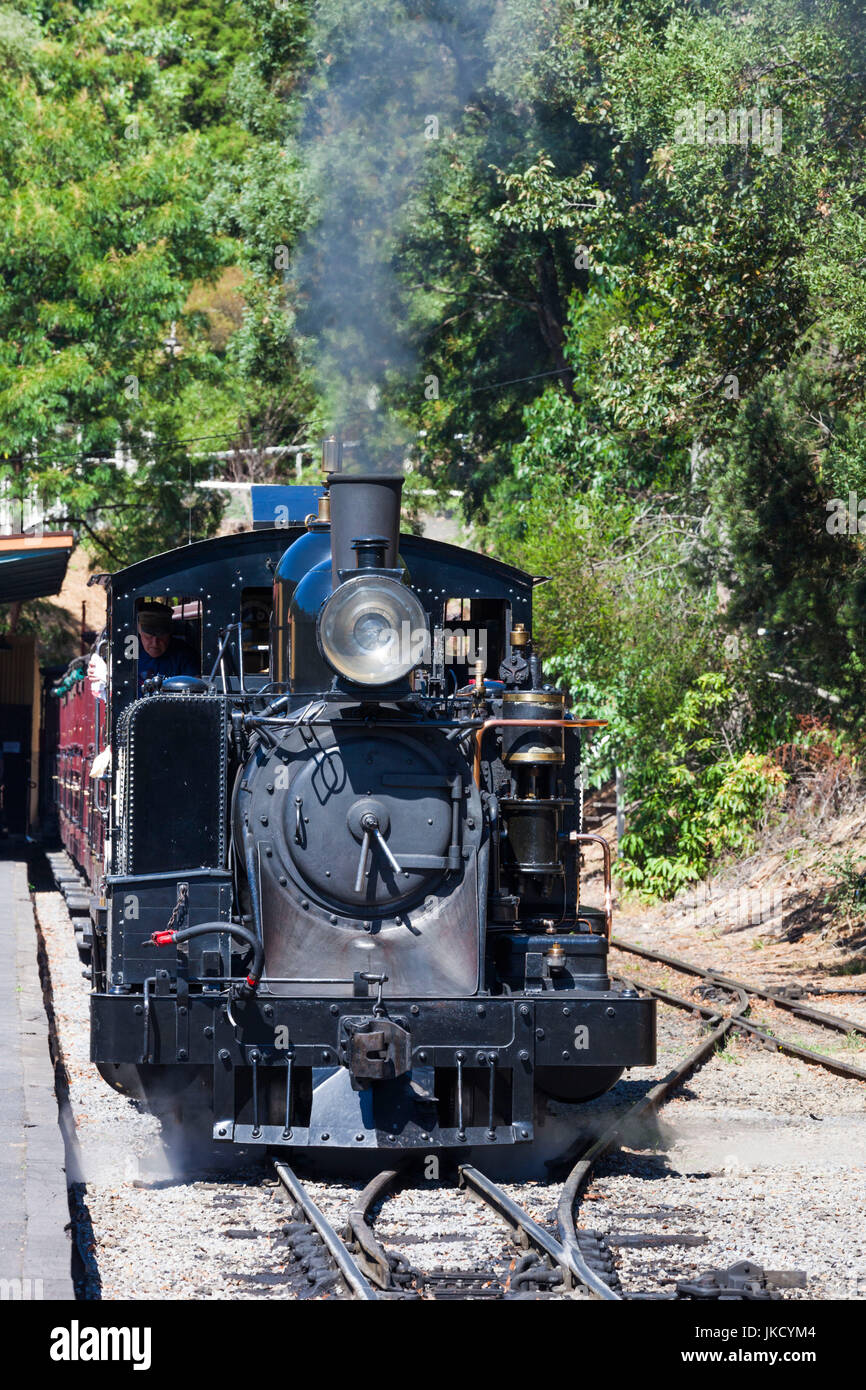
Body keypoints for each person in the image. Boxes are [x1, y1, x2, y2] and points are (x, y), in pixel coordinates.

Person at [136, 602, 198, 693]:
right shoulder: (130, 652)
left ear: (170, 633)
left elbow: (196, 688)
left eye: (161, 636)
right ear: (139, 630)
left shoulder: (185, 654)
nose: (155, 643)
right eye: (148, 636)